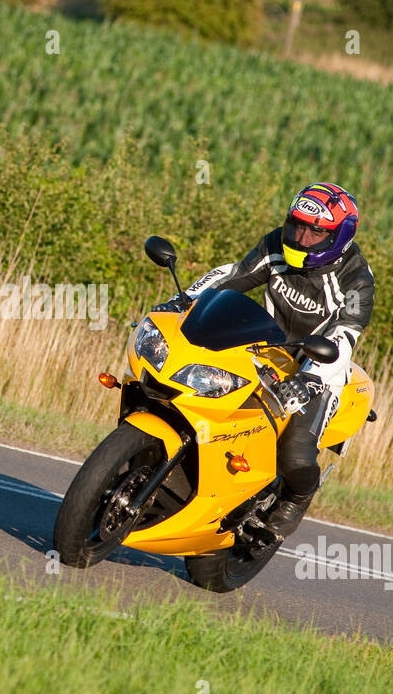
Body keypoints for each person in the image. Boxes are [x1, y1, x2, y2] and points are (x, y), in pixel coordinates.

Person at [152, 183, 375, 547]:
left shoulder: (356, 281)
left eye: (316, 231)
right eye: (297, 225)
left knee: (295, 453)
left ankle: (296, 497)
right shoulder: (278, 245)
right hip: (265, 347)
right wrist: (184, 301)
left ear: (339, 236)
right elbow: (234, 275)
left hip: (318, 367)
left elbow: (343, 337)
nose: (302, 237)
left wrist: (308, 379)